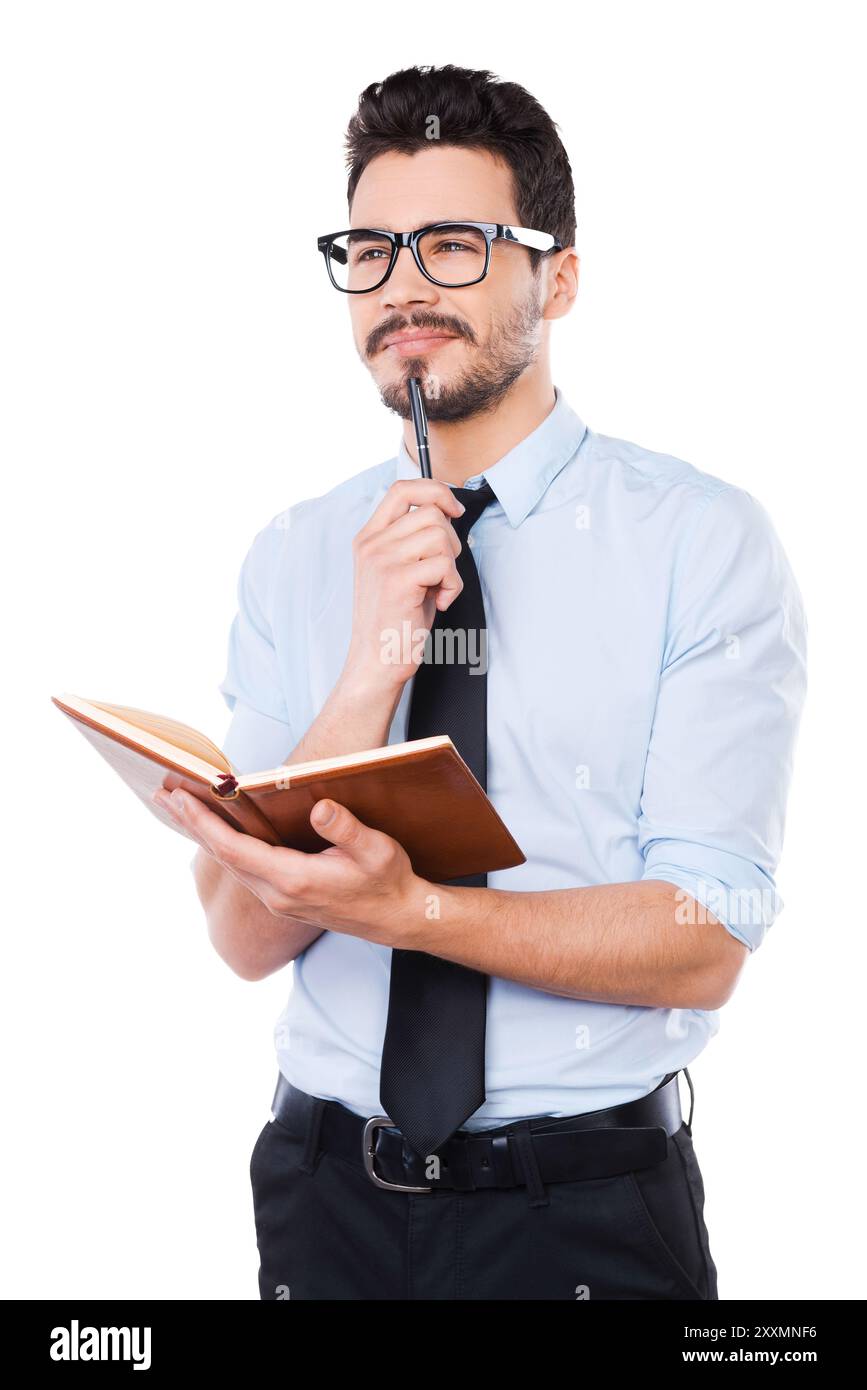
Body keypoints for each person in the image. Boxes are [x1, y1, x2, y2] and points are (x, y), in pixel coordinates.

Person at [153, 64, 807, 1300]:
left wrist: (418, 916)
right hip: (319, 1197)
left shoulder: (700, 542)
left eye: (454, 244)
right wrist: (368, 670)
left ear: (557, 276)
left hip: (582, 1216)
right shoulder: (297, 555)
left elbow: (706, 932)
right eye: (372, 248)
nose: (402, 283)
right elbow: (243, 935)